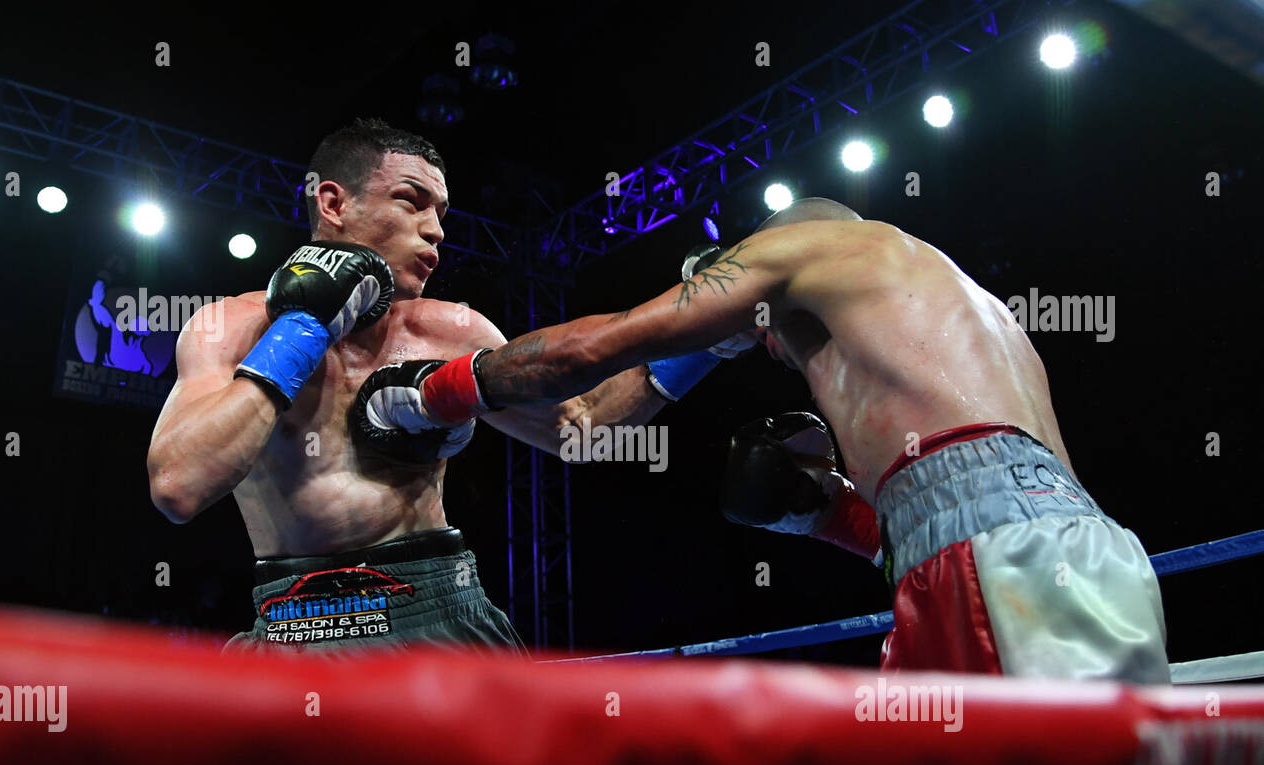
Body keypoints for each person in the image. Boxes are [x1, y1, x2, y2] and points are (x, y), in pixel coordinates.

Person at [379, 198, 1170, 682]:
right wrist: (827, 516)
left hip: (996, 574)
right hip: (1083, 560)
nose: (768, 354)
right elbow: (979, 501)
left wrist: (430, 390)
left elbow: (593, 351)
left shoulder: (805, 247)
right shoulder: (972, 311)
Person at [147, 119, 715, 657]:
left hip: (439, 615)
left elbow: (580, 427)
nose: (436, 229)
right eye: (411, 200)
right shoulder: (231, 328)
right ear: (333, 203)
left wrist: (711, 338)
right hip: (292, 621)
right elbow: (178, 486)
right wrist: (301, 332)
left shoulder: (451, 330)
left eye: (441, 212)